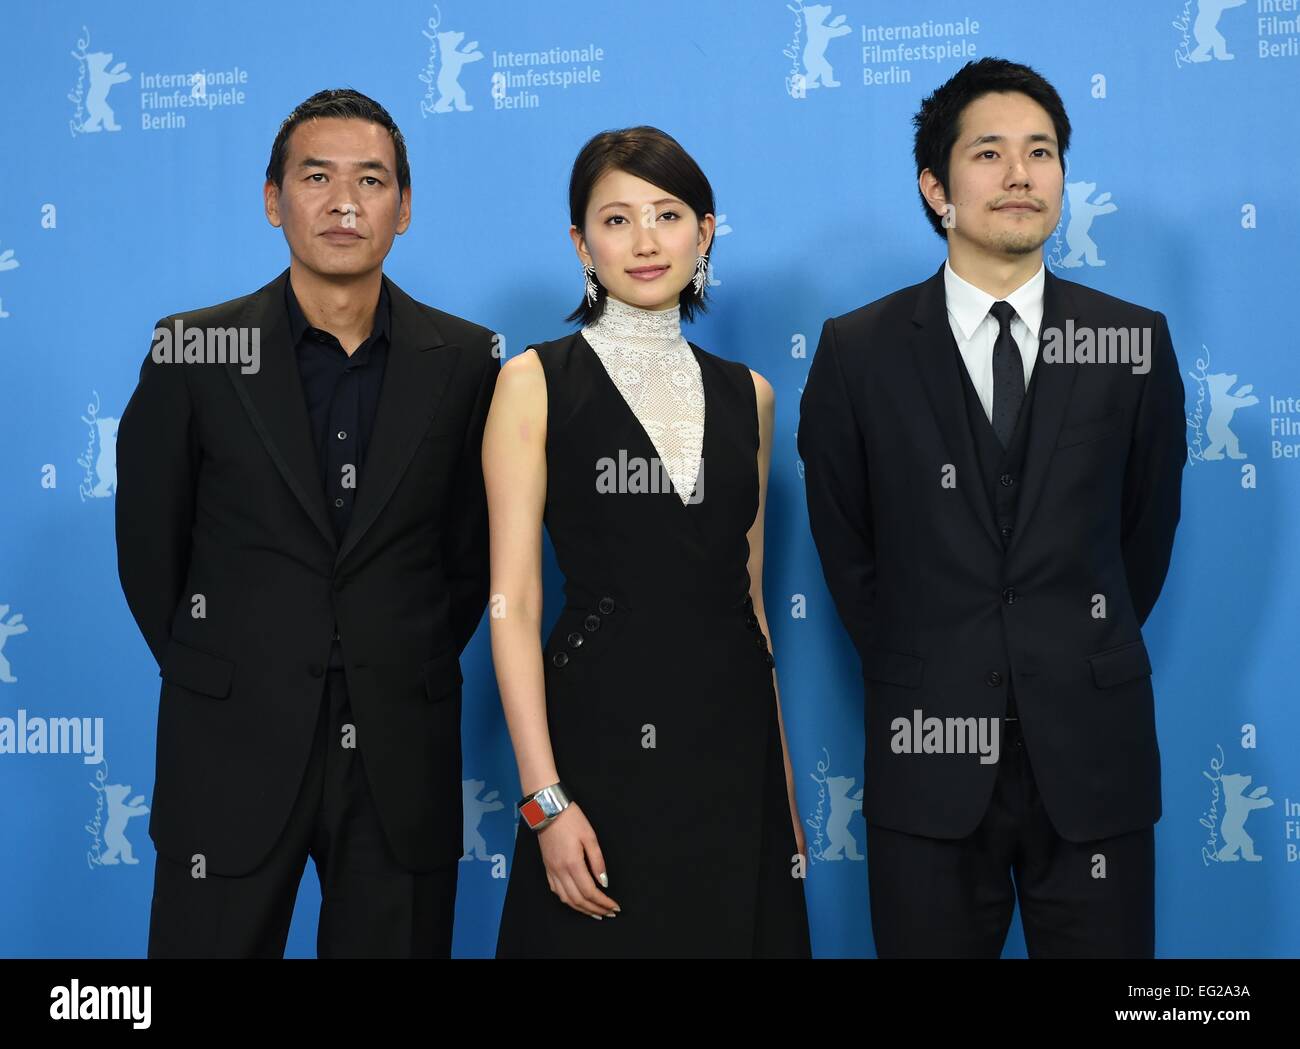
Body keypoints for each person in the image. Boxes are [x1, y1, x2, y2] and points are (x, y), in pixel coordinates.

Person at [798, 58, 1185, 958]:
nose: (1021, 175)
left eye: (1042, 152)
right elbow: (849, 551)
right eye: (990, 153)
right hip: (927, 765)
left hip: (1093, 764)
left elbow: (1143, 537)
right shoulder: (858, 352)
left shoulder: (1132, 341)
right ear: (937, 186)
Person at [115, 88, 499, 957]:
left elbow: (468, 562)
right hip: (231, 743)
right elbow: (150, 550)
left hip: (399, 750)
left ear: (403, 208)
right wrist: (220, 666)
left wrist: (396, 651)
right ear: (272, 199)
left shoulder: (468, 363)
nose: (343, 201)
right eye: (316, 176)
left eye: (371, 179)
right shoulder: (193, 351)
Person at [486, 126, 811, 957]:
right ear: (580, 242)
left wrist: (781, 789)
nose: (644, 240)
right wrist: (544, 802)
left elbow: (752, 610)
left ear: (705, 232)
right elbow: (514, 605)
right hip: (597, 749)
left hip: (732, 755)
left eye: (667, 215)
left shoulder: (754, 398)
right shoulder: (533, 381)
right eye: (617, 218)